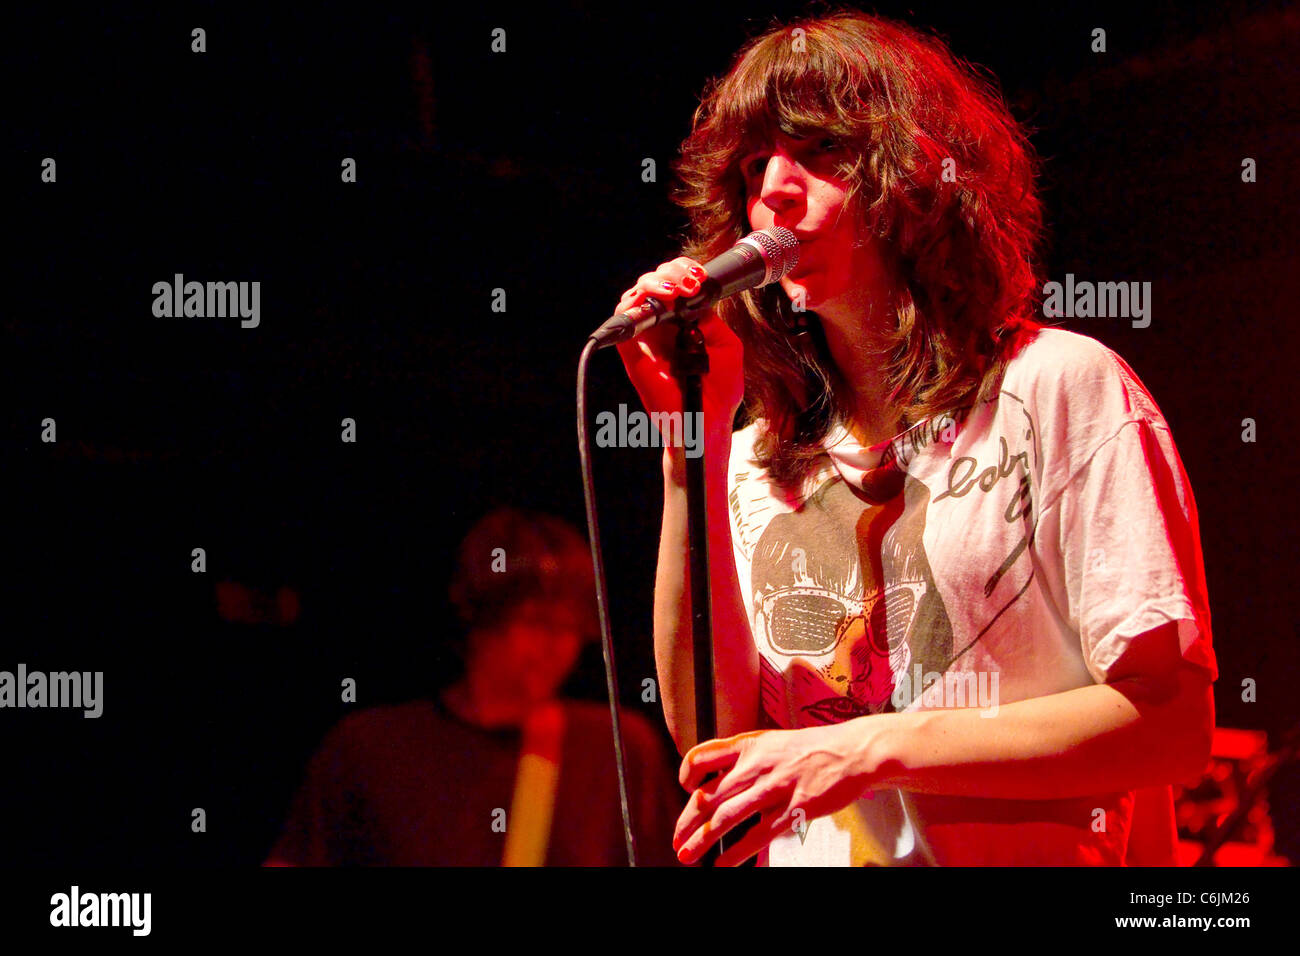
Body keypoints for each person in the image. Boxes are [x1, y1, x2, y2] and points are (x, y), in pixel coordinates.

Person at [613, 10, 1215, 866]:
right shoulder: (747, 457)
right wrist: (691, 441)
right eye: (755, 166)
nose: (774, 190)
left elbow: (1171, 725)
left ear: (917, 174)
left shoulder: (1059, 387)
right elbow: (713, 744)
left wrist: (868, 749)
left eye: (820, 152)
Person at [265, 507, 683, 866]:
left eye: (570, 625)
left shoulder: (619, 747)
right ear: (478, 617)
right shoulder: (367, 748)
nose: (557, 643)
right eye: (537, 620)